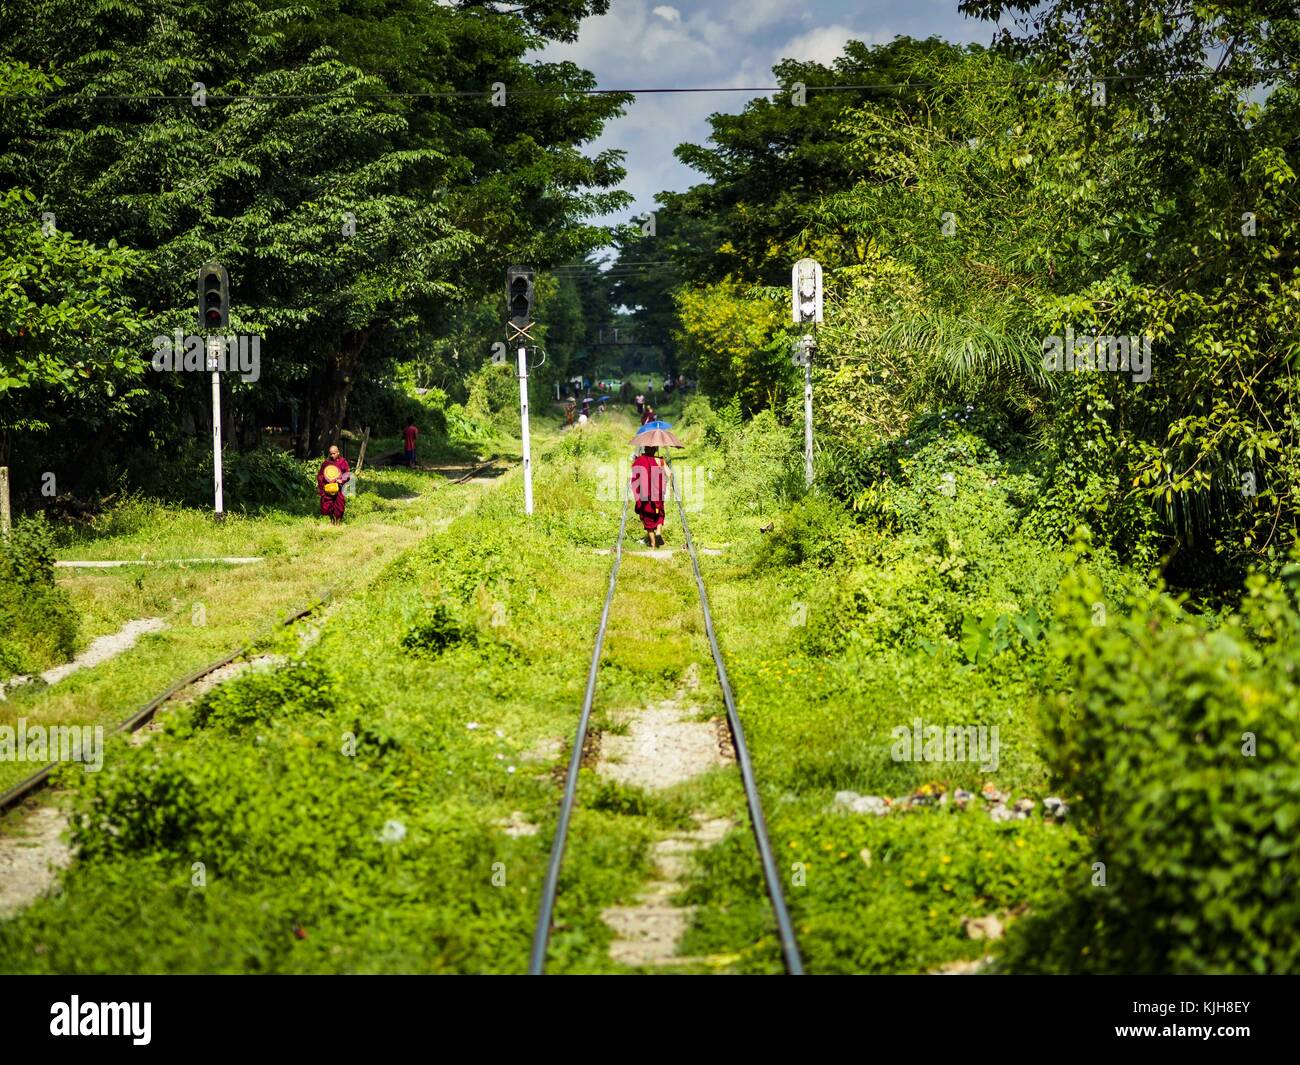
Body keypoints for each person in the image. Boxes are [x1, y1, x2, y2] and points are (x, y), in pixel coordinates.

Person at [632, 445, 668, 548]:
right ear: (656, 450)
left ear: (645, 449)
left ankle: (652, 544)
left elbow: (635, 476)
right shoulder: (660, 461)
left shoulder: (640, 460)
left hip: (645, 494)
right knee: (660, 513)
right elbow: (669, 474)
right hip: (658, 494)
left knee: (648, 518)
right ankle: (659, 532)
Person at [317, 445, 351, 526]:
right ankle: (332, 520)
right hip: (328, 488)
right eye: (331, 454)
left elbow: (347, 474)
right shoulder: (326, 463)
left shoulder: (343, 462)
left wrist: (341, 480)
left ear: (338, 452)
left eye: (334, 453)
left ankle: (338, 523)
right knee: (327, 505)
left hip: (339, 488)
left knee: (340, 506)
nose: (332, 455)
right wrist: (324, 482)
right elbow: (320, 475)